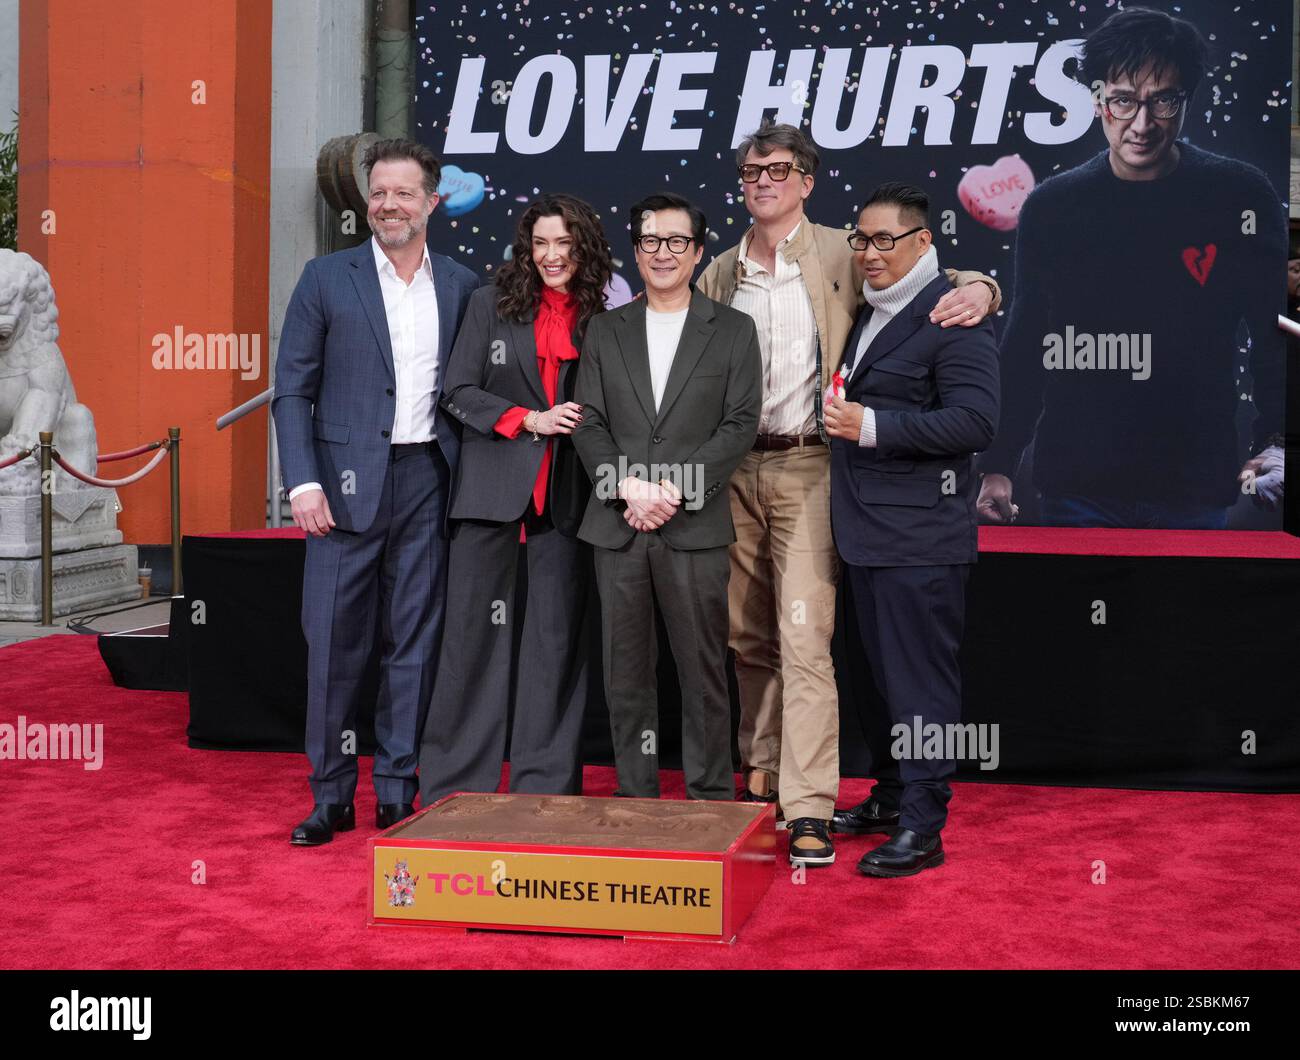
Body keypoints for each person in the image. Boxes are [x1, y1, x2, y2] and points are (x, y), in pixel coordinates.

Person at [696, 120, 1001, 867]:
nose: (762, 181)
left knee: (807, 641)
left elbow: (941, 281)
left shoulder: (845, 250)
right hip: (740, 473)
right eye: (750, 171)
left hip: (816, 470)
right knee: (751, 639)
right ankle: (767, 775)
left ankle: (814, 808)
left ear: (806, 179)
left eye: (778, 169)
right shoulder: (720, 272)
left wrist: (985, 286)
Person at [977, 6, 1287, 530]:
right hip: (1078, 482)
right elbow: (1027, 339)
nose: (1141, 125)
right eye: (1123, 100)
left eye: (1163, 100)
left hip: (1193, 480)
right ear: (1098, 101)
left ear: (1186, 99)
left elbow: (1270, 331)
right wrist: (999, 464)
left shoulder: (1240, 195)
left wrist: (1276, 441)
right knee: (1078, 614)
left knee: (1184, 615)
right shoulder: (1055, 206)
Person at [274, 138, 478, 845]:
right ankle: (330, 796)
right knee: (332, 645)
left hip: (428, 480)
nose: (389, 204)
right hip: (339, 487)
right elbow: (292, 391)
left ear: (431, 202)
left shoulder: (462, 285)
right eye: (379, 193)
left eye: (403, 192)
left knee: (412, 643)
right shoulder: (326, 278)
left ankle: (397, 790)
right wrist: (301, 480)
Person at [825, 182, 999, 877]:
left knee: (919, 683)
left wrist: (871, 426)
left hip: (920, 541)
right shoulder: (870, 309)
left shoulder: (954, 314)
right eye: (860, 239)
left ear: (923, 243)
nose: (868, 253)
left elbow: (976, 422)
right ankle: (894, 795)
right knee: (876, 678)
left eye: (884, 240)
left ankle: (926, 826)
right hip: (862, 534)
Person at [418, 194, 612, 804]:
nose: (553, 256)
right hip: (489, 494)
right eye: (541, 244)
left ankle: (544, 788)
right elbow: (456, 391)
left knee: (555, 646)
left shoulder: (605, 315)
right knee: (472, 641)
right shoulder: (489, 304)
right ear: (527, 249)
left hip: (568, 502)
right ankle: (454, 785)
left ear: (583, 248)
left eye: (565, 244)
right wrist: (527, 419)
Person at [573, 192, 761, 801]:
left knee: (703, 669)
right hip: (619, 523)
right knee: (625, 672)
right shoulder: (604, 329)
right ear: (637, 249)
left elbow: (739, 424)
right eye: (650, 241)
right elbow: (590, 421)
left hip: (693, 525)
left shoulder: (733, 330)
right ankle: (637, 795)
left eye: (677, 242)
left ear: (698, 251)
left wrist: (671, 489)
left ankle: (710, 798)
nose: (662, 253)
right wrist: (627, 486)